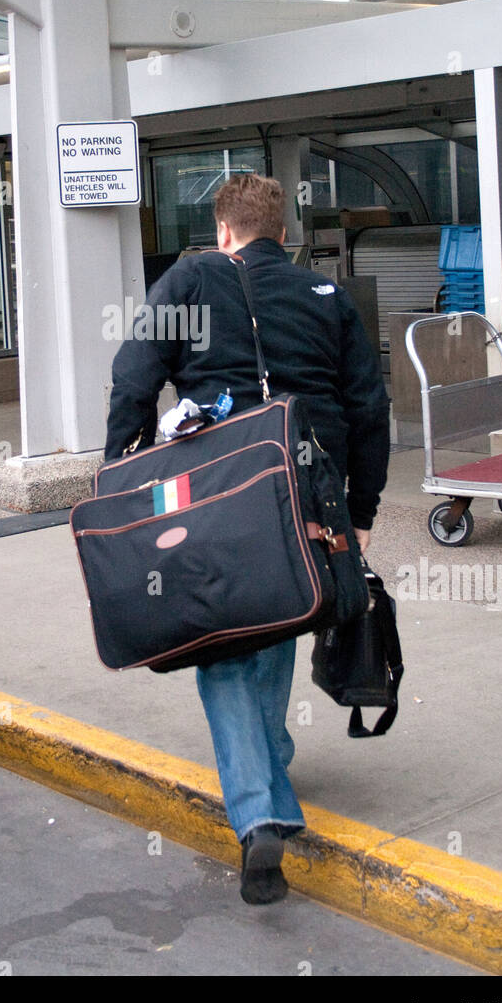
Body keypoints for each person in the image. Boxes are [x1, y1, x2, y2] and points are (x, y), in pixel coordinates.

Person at [104, 173, 390, 904]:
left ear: (223, 230)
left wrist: (118, 470)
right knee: (283, 607)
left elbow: (135, 376)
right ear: (284, 235)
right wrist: (363, 506)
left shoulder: (191, 277)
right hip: (309, 492)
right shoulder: (324, 295)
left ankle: (260, 813)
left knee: (226, 633)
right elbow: (368, 403)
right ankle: (271, 761)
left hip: (218, 490)